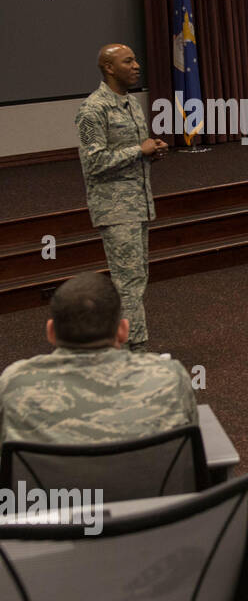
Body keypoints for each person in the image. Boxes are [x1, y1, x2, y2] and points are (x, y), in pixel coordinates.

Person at [0, 272, 196, 445]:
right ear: (123, 330)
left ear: (51, 332)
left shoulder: (13, 383)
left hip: (50, 488)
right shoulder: (169, 377)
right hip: (150, 486)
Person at [75, 44, 168, 350]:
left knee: (136, 280)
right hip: (115, 208)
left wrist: (150, 151)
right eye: (128, 61)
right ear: (109, 68)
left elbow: (132, 152)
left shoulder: (131, 104)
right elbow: (94, 162)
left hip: (138, 203)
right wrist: (137, 151)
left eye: (136, 60)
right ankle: (132, 348)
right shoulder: (93, 109)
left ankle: (130, 346)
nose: (137, 65)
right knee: (128, 283)